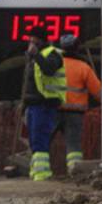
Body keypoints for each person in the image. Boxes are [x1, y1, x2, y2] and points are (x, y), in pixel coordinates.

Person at [23, 26, 66, 181]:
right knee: (34, 139)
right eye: (30, 40)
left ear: (41, 40)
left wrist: (37, 56)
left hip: (45, 103)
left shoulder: (53, 54)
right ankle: (36, 171)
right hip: (33, 104)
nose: (31, 43)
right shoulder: (32, 58)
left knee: (40, 138)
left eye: (34, 40)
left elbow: (49, 70)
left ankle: (42, 173)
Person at [58, 35, 101, 174]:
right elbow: (98, 92)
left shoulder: (54, 65)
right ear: (77, 48)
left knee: (43, 142)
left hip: (53, 110)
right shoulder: (83, 68)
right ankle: (74, 171)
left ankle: (40, 172)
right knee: (74, 145)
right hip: (75, 113)